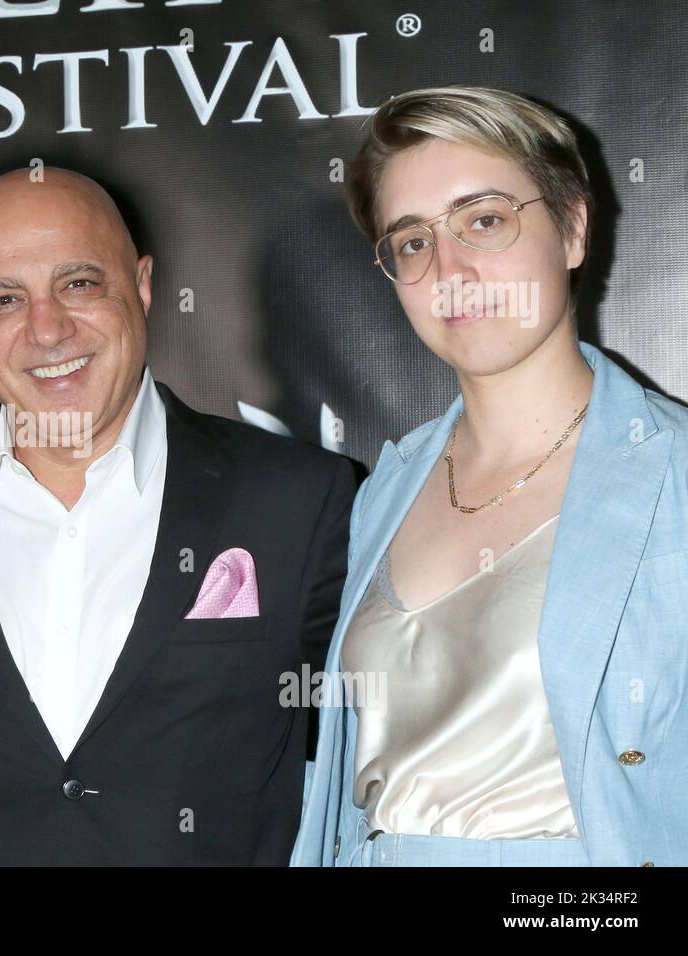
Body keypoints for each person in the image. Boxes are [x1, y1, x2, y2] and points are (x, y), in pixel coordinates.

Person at [0, 167, 356, 865]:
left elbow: (385, 753)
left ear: (142, 286)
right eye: (3, 299)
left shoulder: (298, 499)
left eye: (79, 283)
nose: (47, 329)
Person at [293, 86, 688, 867]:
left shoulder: (675, 475)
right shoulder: (387, 488)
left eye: (484, 220)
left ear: (572, 227)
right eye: (411, 241)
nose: (451, 269)